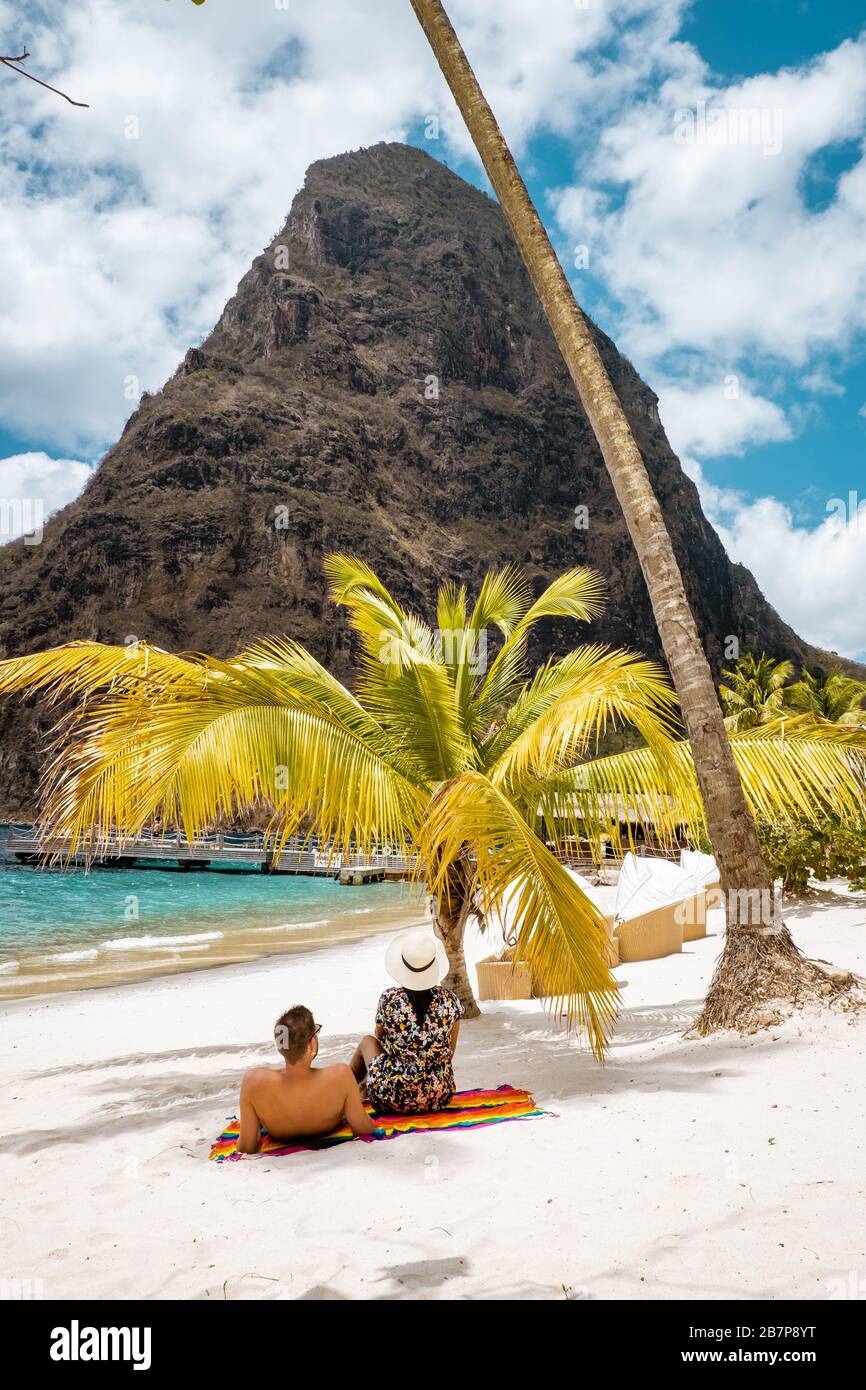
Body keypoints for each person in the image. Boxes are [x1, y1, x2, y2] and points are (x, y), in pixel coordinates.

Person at [350, 929, 463, 1115]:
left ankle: (345, 1092)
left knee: (367, 1042)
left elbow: (379, 1036)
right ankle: (361, 1088)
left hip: (394, 1096)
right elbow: (449, 1053)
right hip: (439, 1094)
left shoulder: (389, 999)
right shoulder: (450, 1000)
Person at [237, 1005, 376, 1153]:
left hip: (280, 1133)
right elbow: (363, 1129)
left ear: (281, 1046)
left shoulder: (254, 1082)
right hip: (326, 1128)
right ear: (312, 1044)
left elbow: (247, 1147)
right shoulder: (340, 1075)